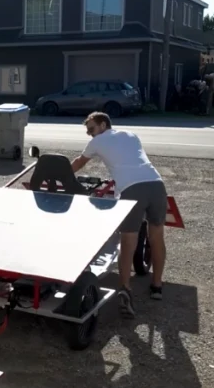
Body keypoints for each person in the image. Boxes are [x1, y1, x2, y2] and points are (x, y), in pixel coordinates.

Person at [71, 111, 167, 318]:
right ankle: (157, 286)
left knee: (128, 241)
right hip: (157, 185)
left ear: (103, 125)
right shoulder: (131, 135)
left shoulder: (97, 142)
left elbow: (79, 163)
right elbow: (130, 158)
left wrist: (59, 174)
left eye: (92, 129)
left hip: (132, 189)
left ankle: (125, 288)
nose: (89, 134)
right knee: (156, 238)